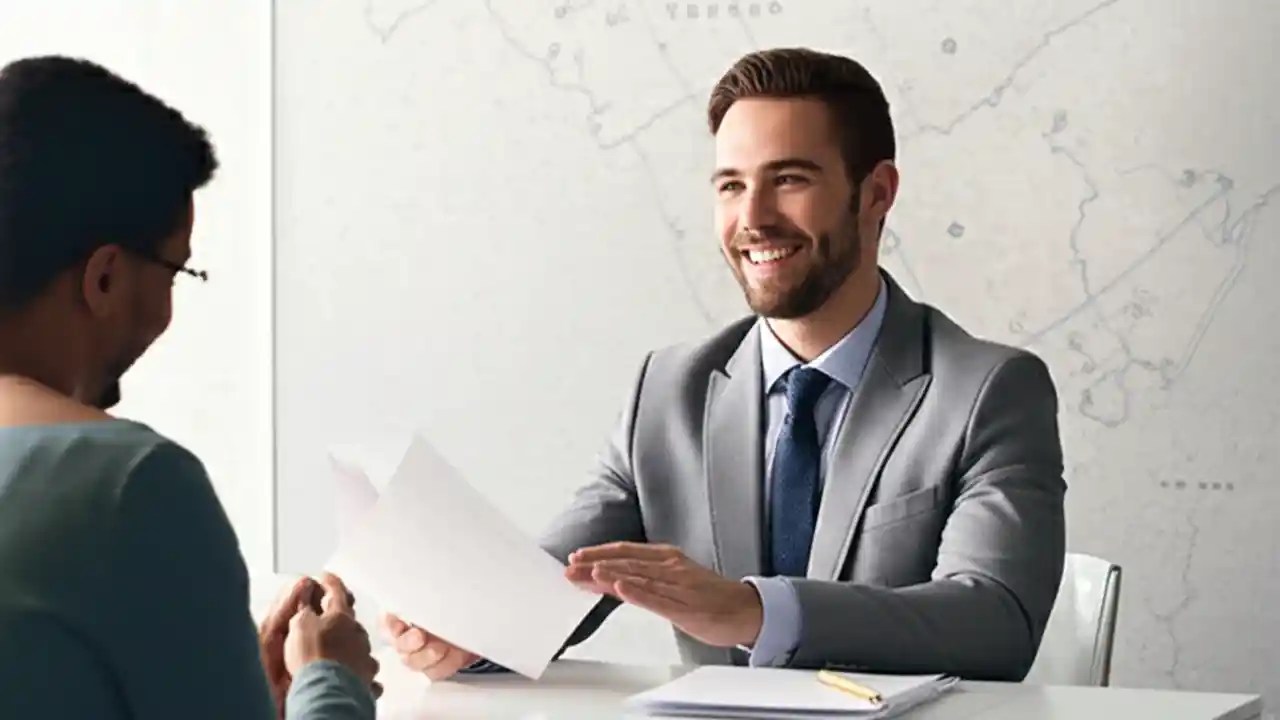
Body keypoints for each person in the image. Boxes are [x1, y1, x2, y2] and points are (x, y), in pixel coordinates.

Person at [385, 47, 1066, 682]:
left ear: (877, 193)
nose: (754, 218)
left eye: (790, 180)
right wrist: (472, 630)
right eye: (731, 186)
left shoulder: (989, 391)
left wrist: (757, 611)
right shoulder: (669, 390)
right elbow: (565, 581)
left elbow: (995, 622)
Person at [0, 56, 379, 718]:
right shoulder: (128, 486)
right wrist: (329, 677)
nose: (169, 310)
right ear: (107, 278)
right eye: (175, 272)